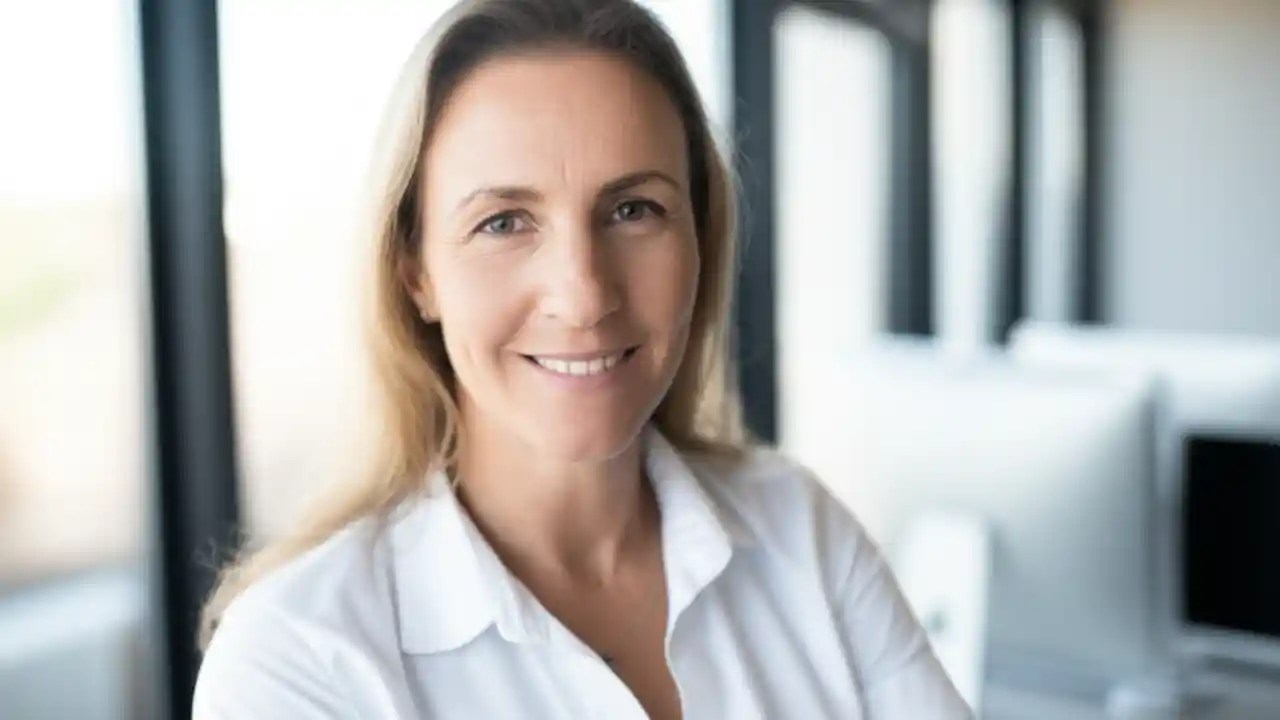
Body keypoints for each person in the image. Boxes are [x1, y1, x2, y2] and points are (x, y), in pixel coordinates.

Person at [193, 0, 969, 717]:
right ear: (416, 272)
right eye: (504, 223)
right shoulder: (297, 662)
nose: (584, 294)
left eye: (634, 210)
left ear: (700, 235)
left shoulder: (800, 533)